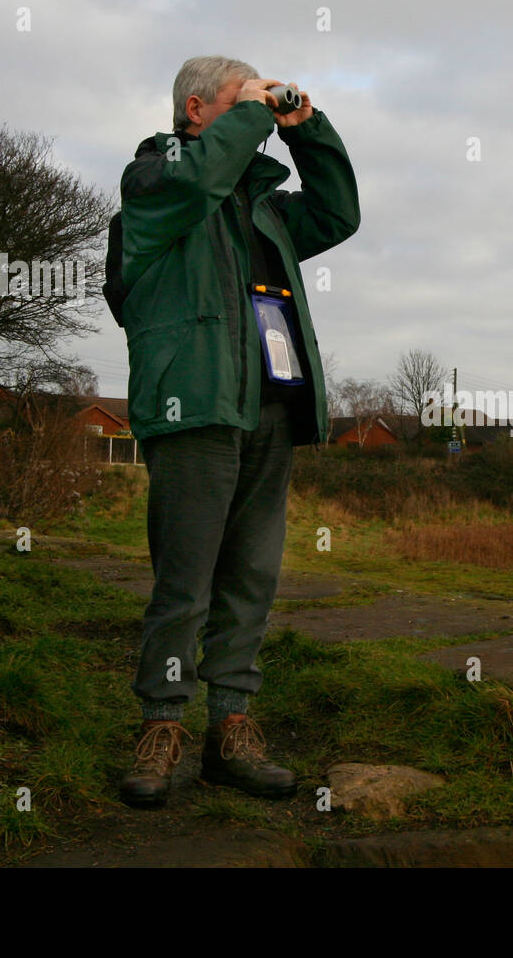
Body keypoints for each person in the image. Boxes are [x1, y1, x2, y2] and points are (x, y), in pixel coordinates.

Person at [115, 55, 359, 808]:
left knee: (251, 576)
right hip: (195, 404)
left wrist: (306, 130)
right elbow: (192, 183)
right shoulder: (151, 185)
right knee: (184, 581)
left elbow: (340, 213)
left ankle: (232, 729)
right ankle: (161, 724)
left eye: (261, 100)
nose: (258, 110)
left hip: (269, 409)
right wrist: (257, 112)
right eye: (240, 100)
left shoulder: (266, 210)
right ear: (196, 111)